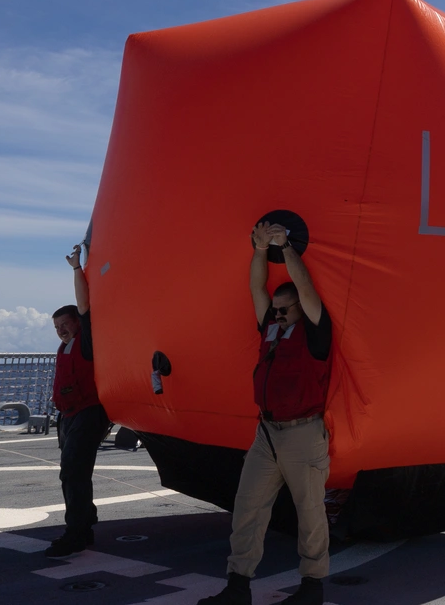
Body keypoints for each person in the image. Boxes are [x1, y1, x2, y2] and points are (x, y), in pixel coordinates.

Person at [199, 221, 333, 605]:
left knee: (310, 513)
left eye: (283, 309)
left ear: (300, 308)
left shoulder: (315, 331)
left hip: (303, 432)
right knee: (247, 507)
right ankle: (238, 586)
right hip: (267, 433)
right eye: (274, 310)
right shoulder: (272, 329)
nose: (276, 315)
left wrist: (285, 246)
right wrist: (260, 251)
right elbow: (256, 289)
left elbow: (305, 288)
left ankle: (312, 587)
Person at [45, 243, 110, 558]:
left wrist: (76, 268)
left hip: (88, 412)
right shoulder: (65, 348)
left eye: (65, 325)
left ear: (77, 323)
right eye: (57, 327)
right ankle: (85, 522)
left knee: (73, 472)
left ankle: (77, 532)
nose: (61, 331)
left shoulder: (86, 340)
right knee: (73, 472)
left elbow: (84, 304)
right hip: (69, 416)